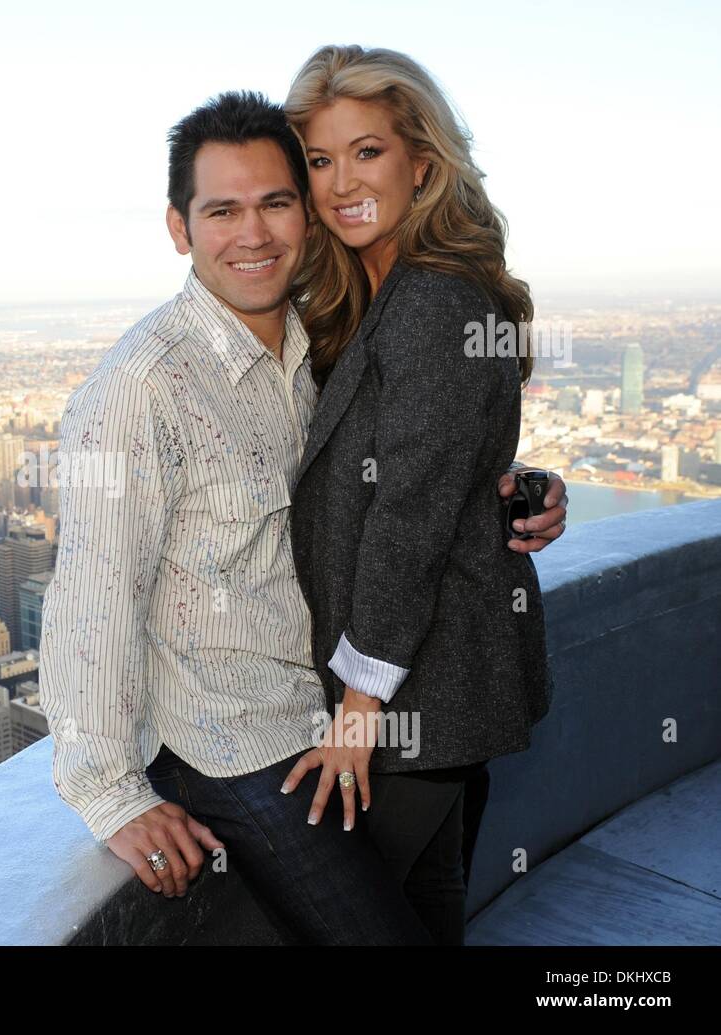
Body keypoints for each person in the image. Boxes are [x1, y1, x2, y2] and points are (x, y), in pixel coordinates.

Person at [38, 89, 566, 945]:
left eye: (277, 202)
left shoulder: (314, 340)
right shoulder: (141, 391)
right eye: (223, 211)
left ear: (306, 213)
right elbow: (95, 599)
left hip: (342, 720)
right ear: (180, 227)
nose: (254, 234)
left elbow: (401, 474)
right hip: (243, 744)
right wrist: (110, 793)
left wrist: (512, 487)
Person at [281, 45, 558, 945]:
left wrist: (360, 710)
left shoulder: (434, 301)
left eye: (368, 151)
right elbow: (444, 462)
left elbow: (408, 514)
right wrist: (521, 487)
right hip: (421, 690)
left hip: (415, 700)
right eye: (320, 160)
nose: (340, 181)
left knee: (406, 919)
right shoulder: (366, 295)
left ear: (423, 164)